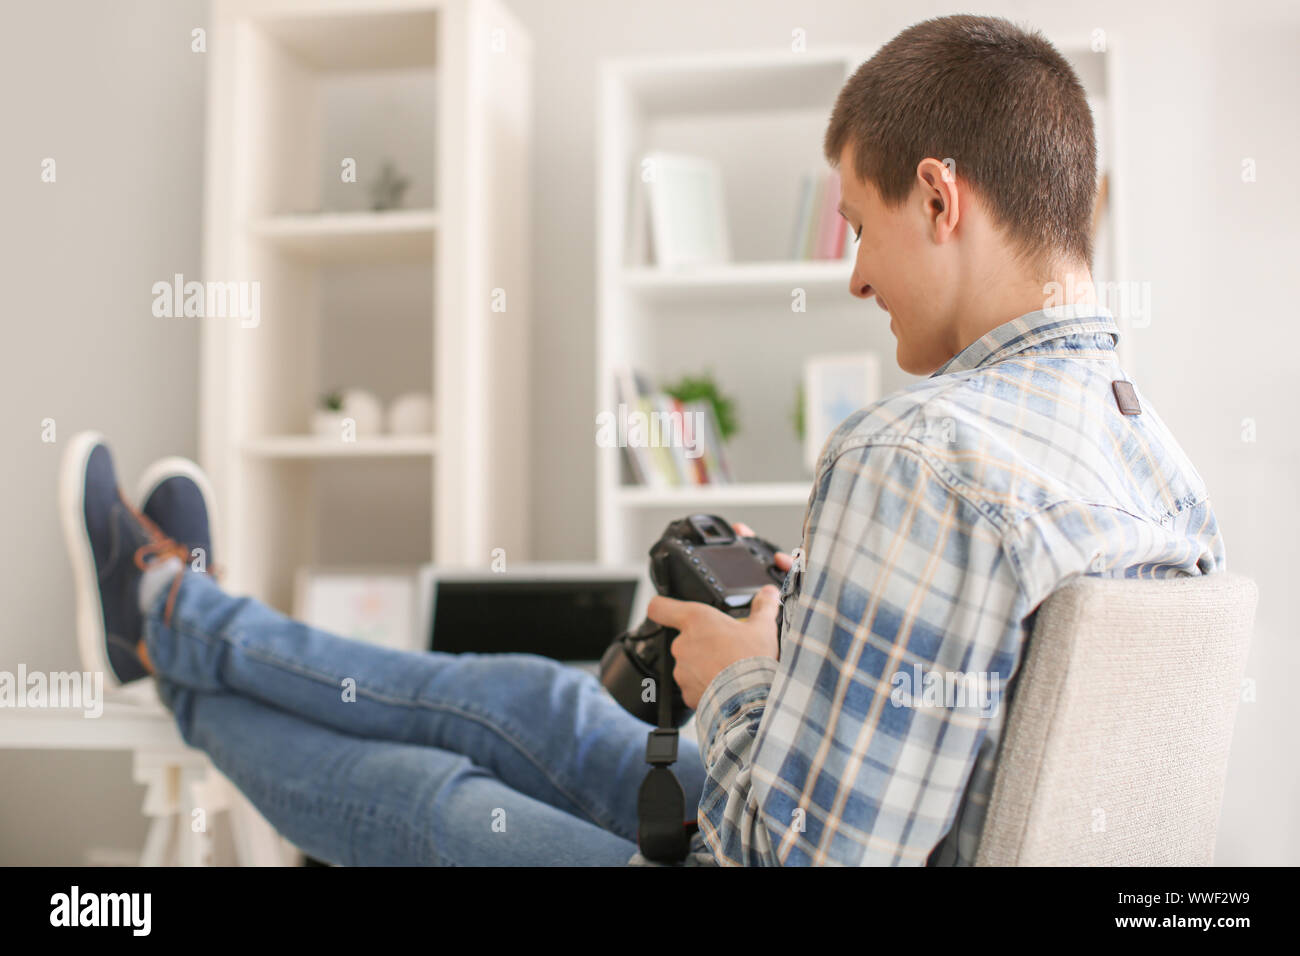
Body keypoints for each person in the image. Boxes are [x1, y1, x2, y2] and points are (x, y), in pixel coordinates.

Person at [60, 14, 1222, 867]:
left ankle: (164, 634)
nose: (857, 271)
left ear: (939, 197)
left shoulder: (918, 455)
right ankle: (173, 617)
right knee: (537, 696)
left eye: (858, 226)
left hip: (773, 842)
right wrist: (811, 630)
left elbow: (794, 859)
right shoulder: (1165, 475)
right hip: (863, 811)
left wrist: (744, 677)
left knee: (436, 798)